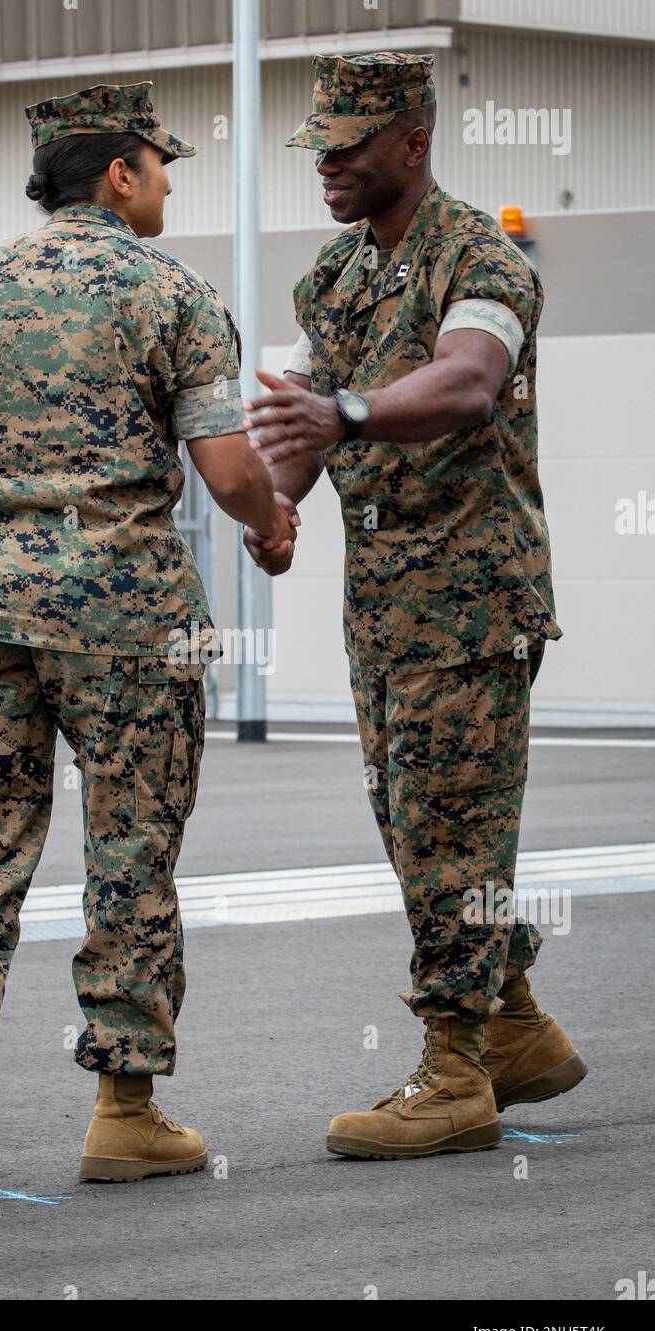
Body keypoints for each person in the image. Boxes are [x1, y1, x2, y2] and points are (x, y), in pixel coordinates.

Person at [0, 82, 295, 1186]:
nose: (164, 181)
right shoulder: (174, 292)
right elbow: (225, 466)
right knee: (130, 857)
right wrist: (270, 527)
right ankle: (123, 1113)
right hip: (125, 621)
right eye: (159, 163)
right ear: (120, 172)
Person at [243, 52, 586, 1160]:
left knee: (449, 829)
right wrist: (275, 505)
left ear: (413, 141)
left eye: (348, 145)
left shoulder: (476, 256)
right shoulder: (335, 278)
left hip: (471, 593)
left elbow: (467, 379)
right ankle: (517, 1025)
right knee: (416, 823)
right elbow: (303, 425)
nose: (327, 165)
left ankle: (453, 1072)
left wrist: (339, 413)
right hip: (380, 601)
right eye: (319, 147)